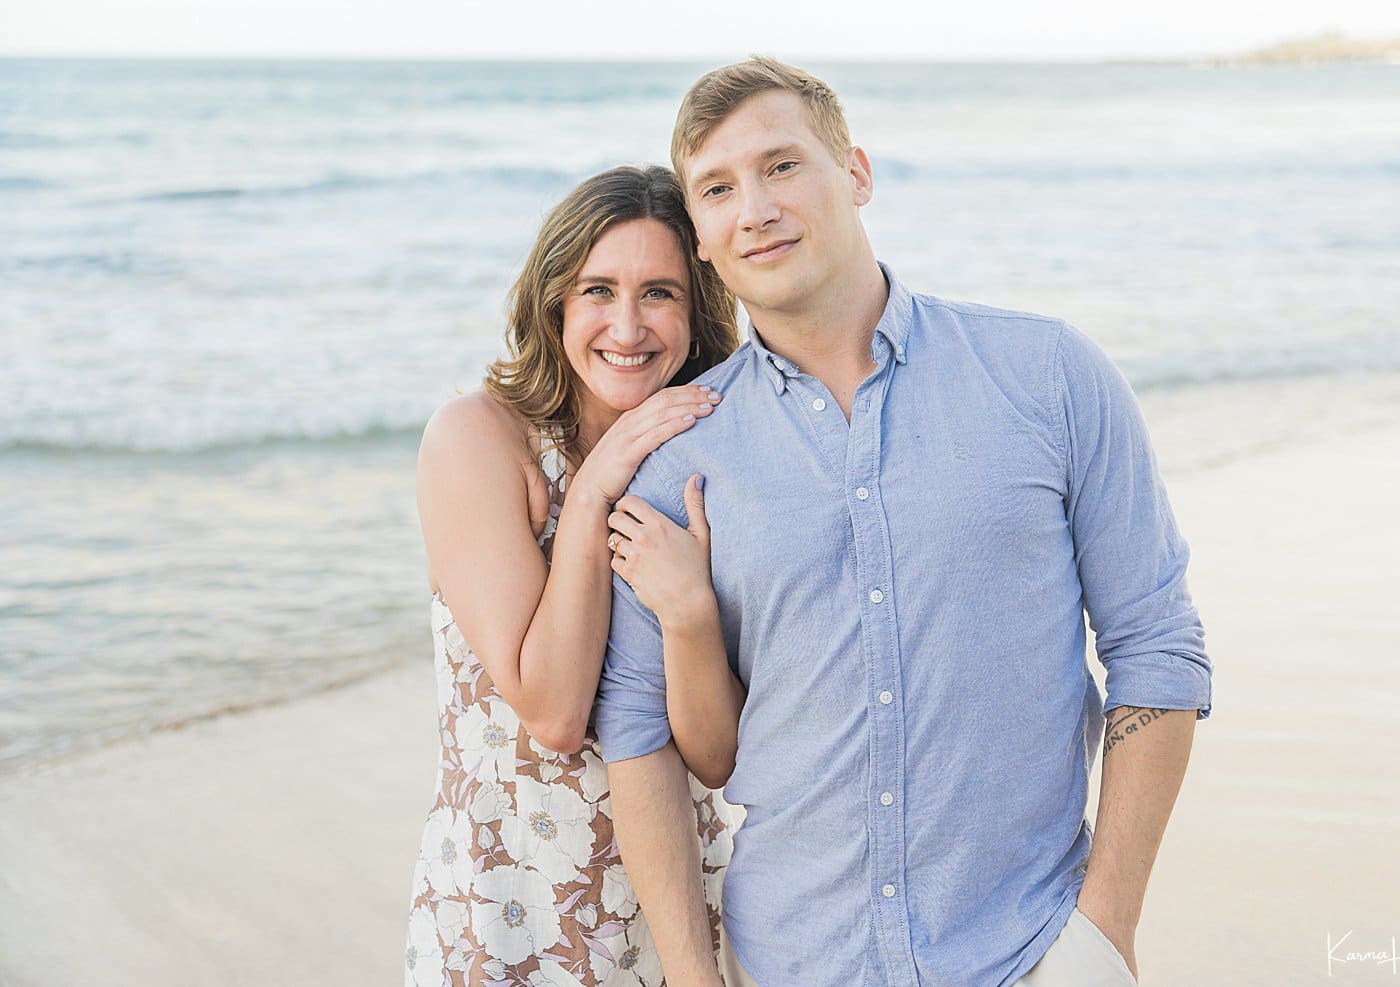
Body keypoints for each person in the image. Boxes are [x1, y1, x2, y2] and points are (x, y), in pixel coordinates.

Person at [591, 58, 1214, 987]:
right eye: (717, 189)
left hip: (1032, 953)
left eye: (783, 166)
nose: (754, 207)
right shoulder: (679, 454)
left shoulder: (1048, 376)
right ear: (704, 241)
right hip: (793, 963)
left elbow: (1157, 643)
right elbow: (635, 726)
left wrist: (1103, 929)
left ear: (857, 174)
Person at [404, 164, 748, 987]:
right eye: (598, 289)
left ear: (697, 311)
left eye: (660, 292)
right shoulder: (480, 441)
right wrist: (593, 487)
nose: (627, 325)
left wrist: (692, 612)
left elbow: (717, 754)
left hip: (673, 910)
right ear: (554, 301)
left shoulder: (700, 461)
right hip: (510, 910)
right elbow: (554, 709)